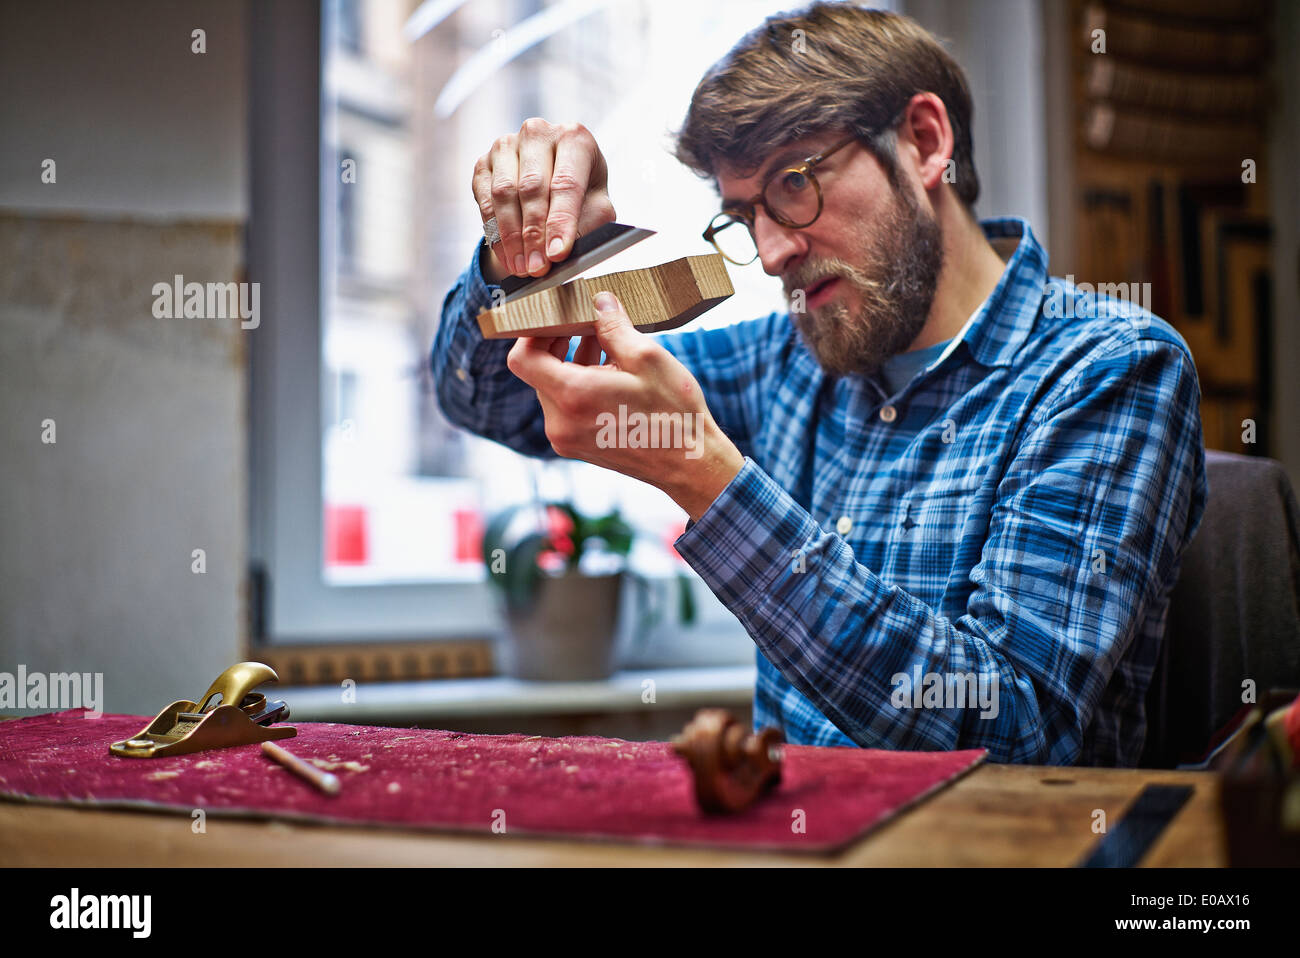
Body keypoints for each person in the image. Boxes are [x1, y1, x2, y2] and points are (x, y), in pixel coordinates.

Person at [431, 2, 1206, 766]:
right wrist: (530, 258)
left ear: (924, 142)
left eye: (795, 185)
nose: (769, 253)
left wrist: (710, 482)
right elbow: (487, 402)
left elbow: (1015, 726)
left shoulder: (1108, 368)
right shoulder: (792, 359)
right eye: (743, 216)